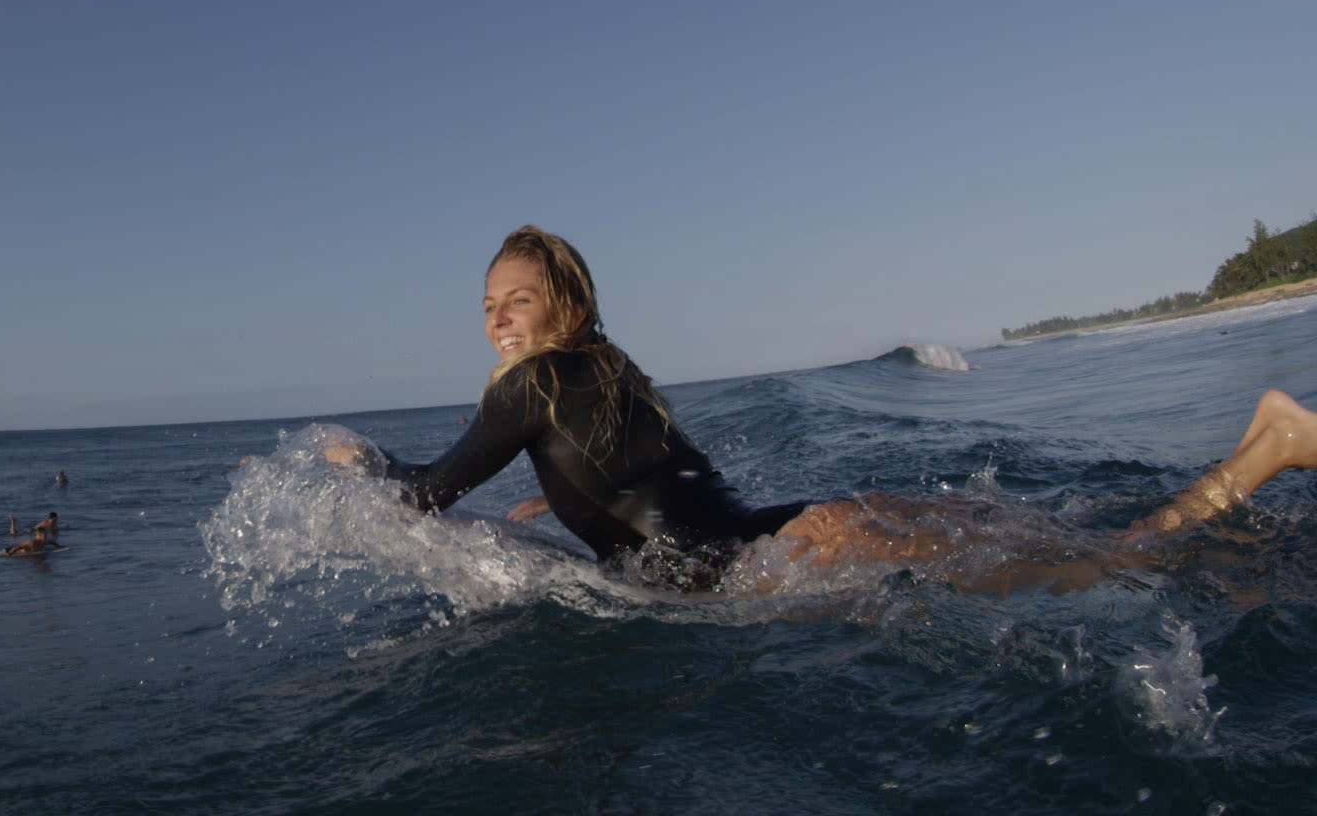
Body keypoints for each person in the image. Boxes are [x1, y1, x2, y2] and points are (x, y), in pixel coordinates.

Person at [327, 225, 1317, 591]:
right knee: (1068, 538)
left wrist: (350, 457)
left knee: (1098, 569)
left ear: (565, 306)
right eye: (489, 308)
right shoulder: (606, 375)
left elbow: (425, 493)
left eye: (518, 303)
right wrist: (561, 503)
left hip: (783, 561)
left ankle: (1267, 453)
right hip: (812, 522)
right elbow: (662, 484)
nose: (499, 323)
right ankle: (1250, 492)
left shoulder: (525, 390)